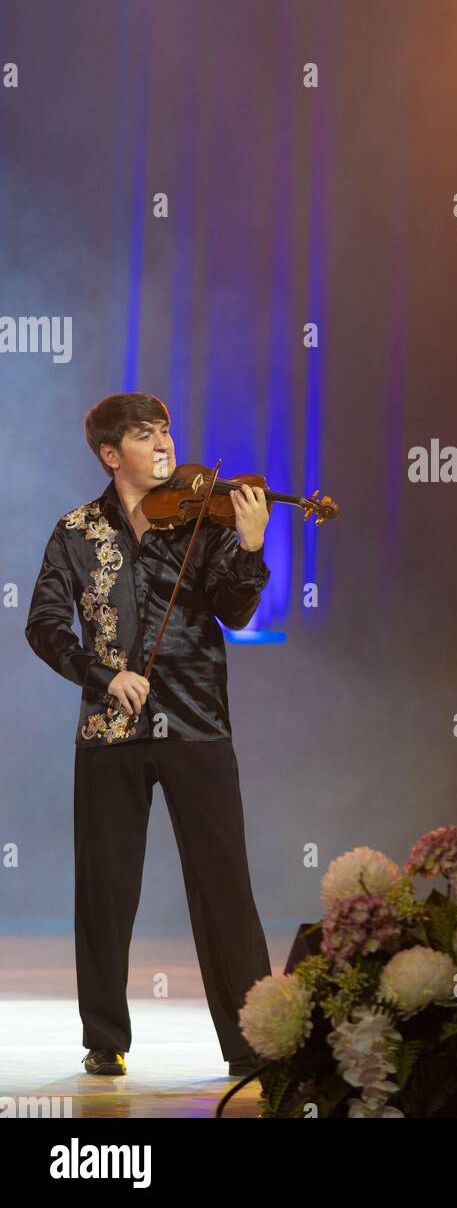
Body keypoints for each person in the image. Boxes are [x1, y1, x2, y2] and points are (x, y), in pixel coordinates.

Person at [25, 392, 274, 1084]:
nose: (163, 445)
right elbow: (44, 626)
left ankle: (249, 1040)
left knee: (224, 883)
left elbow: (236, 609)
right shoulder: (74, 532)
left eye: (165, 431)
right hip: (110, 728)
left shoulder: (203, 519)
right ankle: (104, 1036)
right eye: (145, 435)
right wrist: (103, 676)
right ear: (111, 453)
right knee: (105, 888)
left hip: (196, 721)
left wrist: (251, 548)